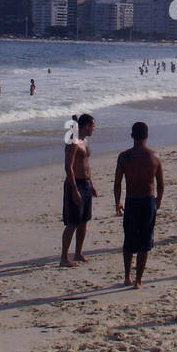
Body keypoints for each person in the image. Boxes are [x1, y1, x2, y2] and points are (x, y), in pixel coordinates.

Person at [114, 122, 163, 288]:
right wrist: (158, 201)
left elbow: (117, 183)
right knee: (145, 241)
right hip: (148, 201)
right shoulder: (154, 156)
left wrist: (117, 202)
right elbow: (161, 184)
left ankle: (127, 276)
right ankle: (138, 280)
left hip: (131, 200)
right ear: (147, 136)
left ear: (132, 135)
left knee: (129, 240)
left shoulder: (124, 157)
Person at [61, 113, 98, 267]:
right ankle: (64, 257)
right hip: (75, 183)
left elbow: (86, 164)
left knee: (84, 221)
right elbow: (68, 166)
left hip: (86, 183)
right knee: (73, 222)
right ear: (87, 126)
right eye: (93, 126)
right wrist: (74, 189)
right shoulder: (73, 142)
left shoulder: (85, 141)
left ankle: (78, 253)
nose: (94, 129)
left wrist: (91, 184)